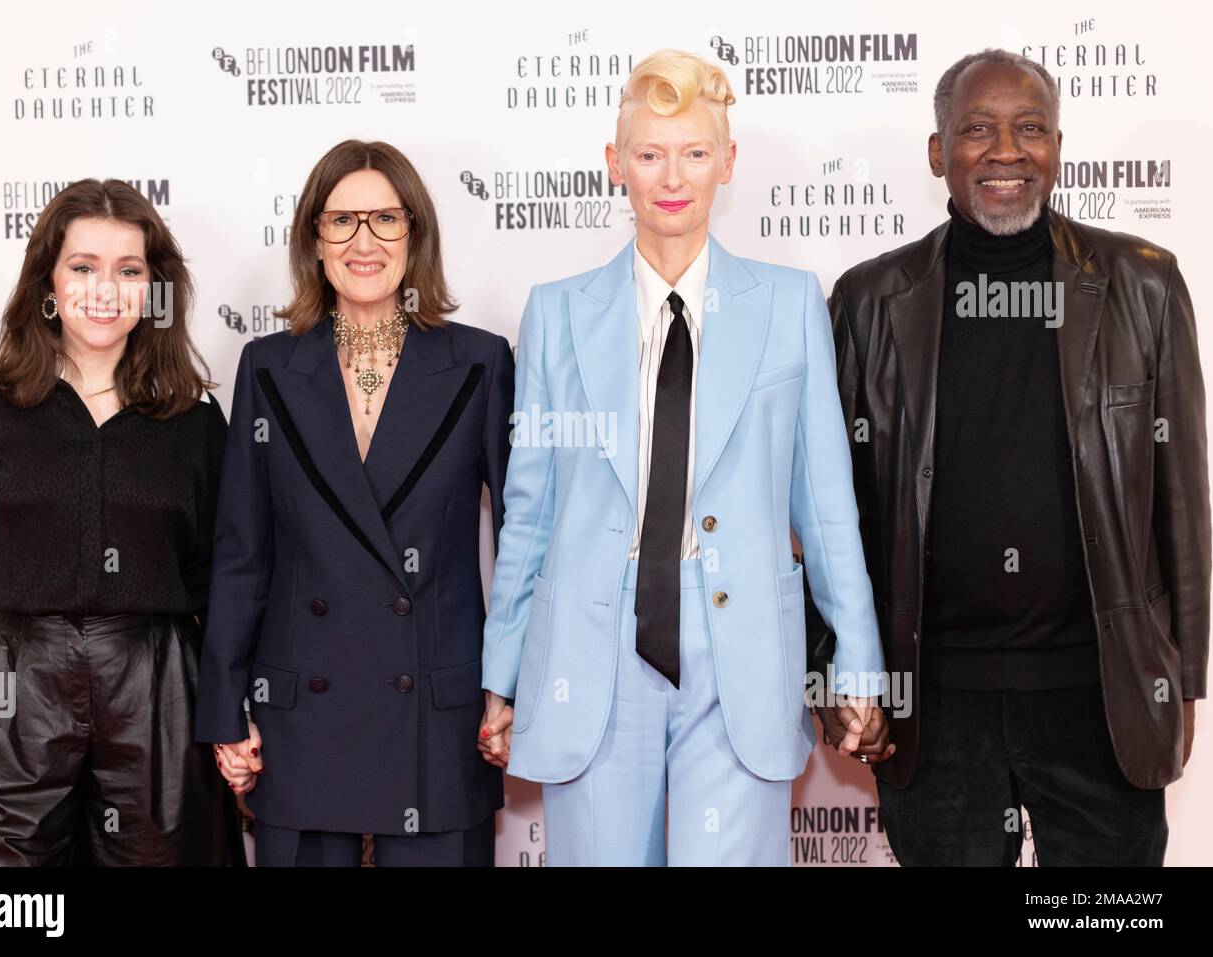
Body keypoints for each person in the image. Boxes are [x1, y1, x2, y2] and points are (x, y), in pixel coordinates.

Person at [478, 50, 887, 866]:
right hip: (592, 643)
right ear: (615, 164)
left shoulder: (788, 302)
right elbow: (532, 510)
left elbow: (827, 502)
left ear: (728, 163)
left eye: (696, 152)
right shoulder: (557, 314)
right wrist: (504, 668)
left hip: (740, 641)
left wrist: (860, 657)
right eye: (650, 153)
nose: (674, 176)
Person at [828, 49, 1208, 865]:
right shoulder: (867, 300)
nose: (1006, 150)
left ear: (1058, 146)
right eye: (977, 129)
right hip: (933, 704)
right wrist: (836, 669)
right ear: (938, 154)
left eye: (1029, 128)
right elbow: (835, 514)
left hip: (1100, 697)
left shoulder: (1143, 284)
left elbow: (1184, 499)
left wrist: (1183, 678)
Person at [196, 139, 515, 867]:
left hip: (438, 721)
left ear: (417, 233)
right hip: (300, 720)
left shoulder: (480, 361)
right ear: (314, 237)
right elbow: (242, 551)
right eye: (341, 221)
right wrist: (224, 708)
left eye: (385, 219)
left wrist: (511, 684)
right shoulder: (269, 366)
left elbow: (525, 539)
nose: (363, 241)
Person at [0, 178, 243, 866]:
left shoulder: (192, 420)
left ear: (154, 288)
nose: (106, 289)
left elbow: (219, 576)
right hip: (13, 679)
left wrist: (233, 704)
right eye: (83, 267)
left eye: (129, 270)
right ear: (48, 278)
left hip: (155, 683)